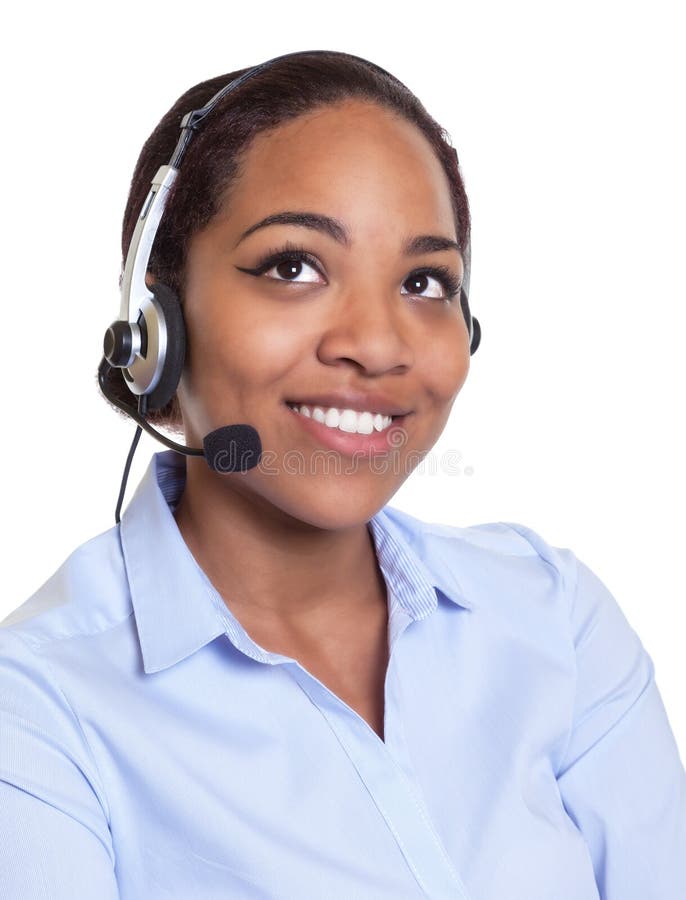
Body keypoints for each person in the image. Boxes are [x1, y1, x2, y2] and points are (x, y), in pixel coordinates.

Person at [0, 50, 684, 900]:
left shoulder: (554, 620)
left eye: (425, 281)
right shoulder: (35, 710)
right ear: (155, 329)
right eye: (294, 267)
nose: (377, 342)